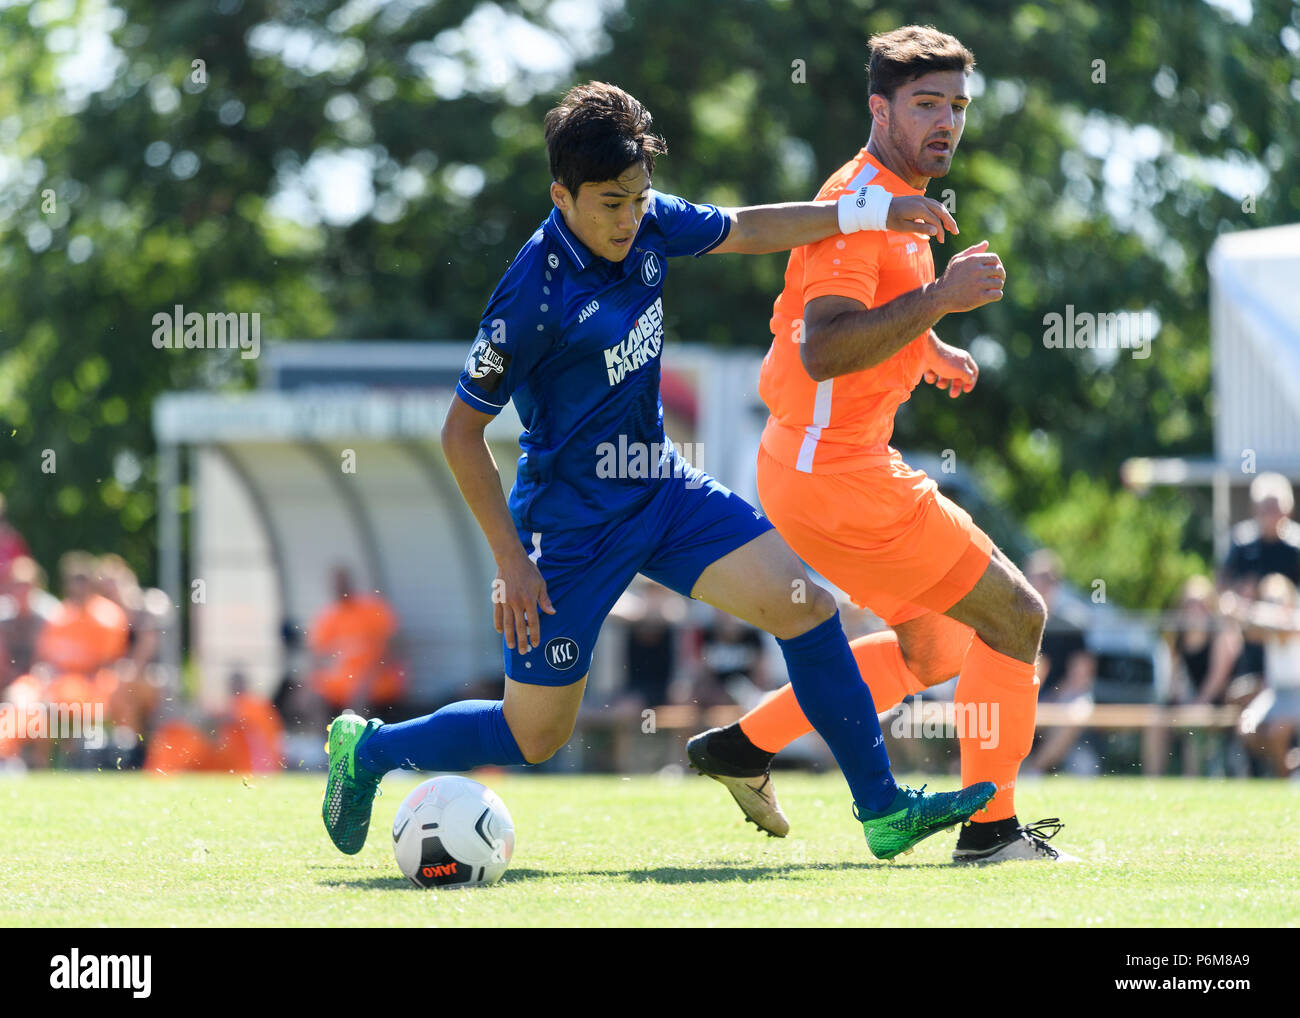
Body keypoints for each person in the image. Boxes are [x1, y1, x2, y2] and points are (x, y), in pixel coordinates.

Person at [322, 80, 995, 861]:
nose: (629, 217)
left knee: (808, 606)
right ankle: (366, 751)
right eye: (609, 203)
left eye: (639, 198)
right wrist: (511, 561)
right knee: (533, 735)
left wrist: (873, 210)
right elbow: (460, 433)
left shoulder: (647, 222)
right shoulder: (528, 297)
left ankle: (881, 810)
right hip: (570, 527)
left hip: (663, 492)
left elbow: (746, 228)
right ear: (561, 196)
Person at [686, 26, 1077, 863]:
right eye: (926, 104)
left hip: (814, 467)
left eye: (959, 107)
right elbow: (821, 345)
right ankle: (993, 833)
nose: (947, 122)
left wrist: (926, 346)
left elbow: (829, 317)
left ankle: (745, 746)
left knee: (934, 649)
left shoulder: (893, 198)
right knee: (1018, 614)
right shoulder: (864, 204)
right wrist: (939, 300)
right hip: (838, 475)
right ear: (879, 108)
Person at [1222, 573, 1300, 777]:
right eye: (1268, 600)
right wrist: (1240, 611)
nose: (1272, 605)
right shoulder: (1264, 626)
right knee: (1246, 729)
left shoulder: (1295, 619)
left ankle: (1286, 772)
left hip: (1297, 694)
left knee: (1277, 731)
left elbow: (1285, 628)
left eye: (1276, 600)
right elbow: (1251, 630)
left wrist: (1244, 610)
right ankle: (1288, 766)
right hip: (1275, 693)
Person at [307, 568, 406, 721]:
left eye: (342, 583)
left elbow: (393, 648)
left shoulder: (372, 609)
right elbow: (318, 655)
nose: (339, 588)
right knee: (313, 694)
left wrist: (369, 678)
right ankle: (324, 740)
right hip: (344, 681)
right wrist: (312, 682)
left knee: (359, 694)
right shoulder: (329, 616)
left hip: (376, 677)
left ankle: (360, 740)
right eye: (335, 584)